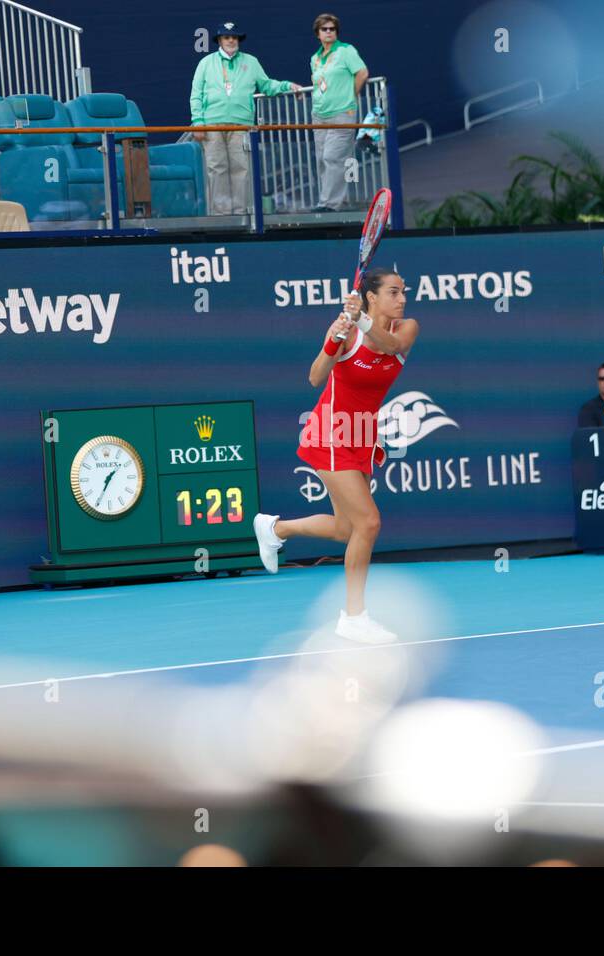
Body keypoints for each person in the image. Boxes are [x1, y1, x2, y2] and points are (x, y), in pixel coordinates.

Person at [254, 268, 419, 644]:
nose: (402, 299)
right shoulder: (347, 333)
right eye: (393, 292)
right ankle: (354, 617)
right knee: (369, 523)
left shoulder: (407, 329)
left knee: (348, 529)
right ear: (372, 295)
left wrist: (359, 319)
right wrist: (334, 341)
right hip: (330, 434)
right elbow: (315, 377)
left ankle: (276, 529)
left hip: (361, 437)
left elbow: (390, 348)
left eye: (403, 291)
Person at [189, 22, 299, 215]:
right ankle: (220, 215)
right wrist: (198, 122)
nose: (231, 40)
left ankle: (241, 214)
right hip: (213, 124)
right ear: (220, 41)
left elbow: (267, 85)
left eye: (234, 37)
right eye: (227, 37)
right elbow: (196, 95)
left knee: (241, 169)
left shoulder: (251, 61)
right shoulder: (206, 63)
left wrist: (287, 86)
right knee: (216, 168)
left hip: (242, 124)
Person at [308, 13, 368, 212]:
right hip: (319, 114)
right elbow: (318, 83)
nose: (328, 32)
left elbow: (362, 73)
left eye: (332, 29)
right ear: (317, 33)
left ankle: (330, 204)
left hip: (342, 113)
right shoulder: (315, 58)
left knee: (333, 158)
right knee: (321, 160)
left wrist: (351, 95)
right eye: (324, 29)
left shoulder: (346, 50)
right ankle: (324, 202)